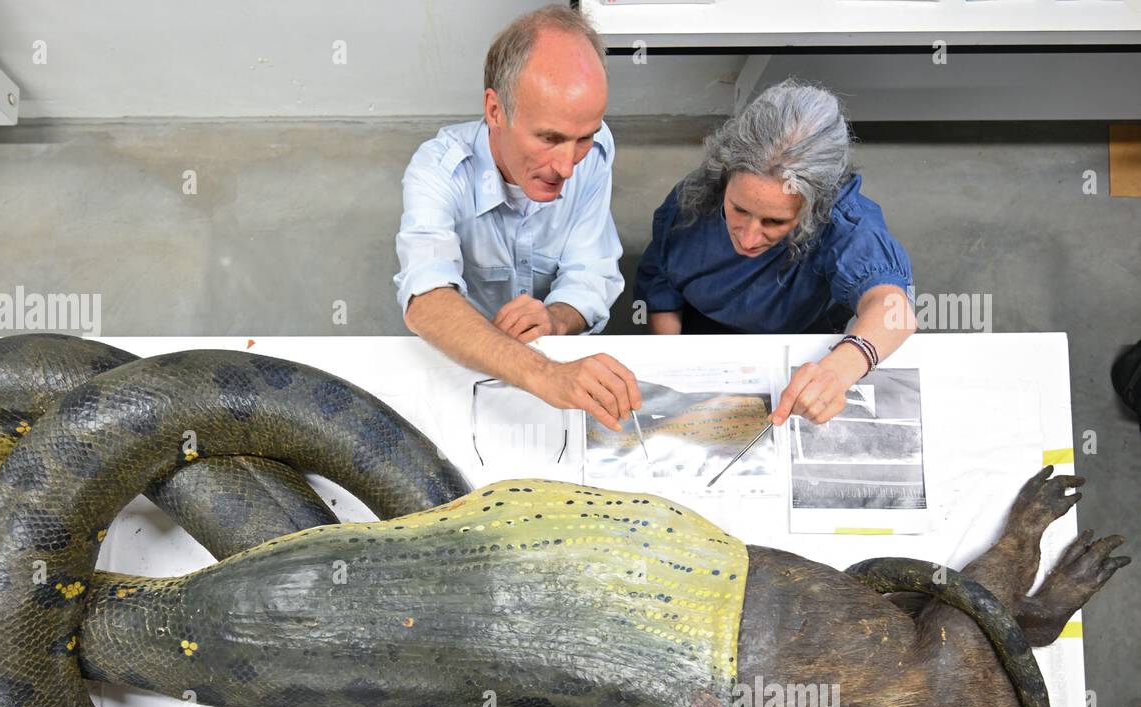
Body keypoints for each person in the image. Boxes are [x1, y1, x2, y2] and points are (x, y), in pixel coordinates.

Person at [394, 5, 640, 431]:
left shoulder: (594, 152)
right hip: (469, 358)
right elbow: (427, 299)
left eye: (584, 138)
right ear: (495, 110)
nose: (566, 166)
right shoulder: (438, 169)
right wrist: (544, 374)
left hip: (562, 358)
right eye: (549, 138)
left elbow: (591, 270)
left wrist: (556, 317)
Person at [635, 80, 919, 425]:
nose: (749, 237)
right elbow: (660, 282)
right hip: (698, 334)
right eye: (739, 209)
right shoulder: (696, 197)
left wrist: (840, 368)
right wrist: (674, 370)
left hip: (797, 347)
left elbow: (894, 311)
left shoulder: (845, 222)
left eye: (774, 221)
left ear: (817, 207)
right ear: (725, 175)